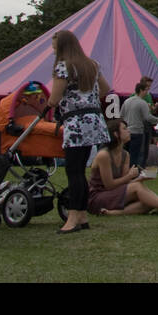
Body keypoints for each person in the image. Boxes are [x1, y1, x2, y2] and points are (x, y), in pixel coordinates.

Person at [48, 29, 110, 235]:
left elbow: (54, 99)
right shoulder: (92, 65)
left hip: (75, 122)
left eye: (54, 45)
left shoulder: (63, 67)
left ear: (62, 46)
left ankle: (73, 217)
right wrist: (88, 97)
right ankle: (82, 215)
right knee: (80, 171)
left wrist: (55, 103)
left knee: (73, 171)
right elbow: (105, 89)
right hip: (93, 120)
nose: (52, 48)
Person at [88, 120, 158, 217]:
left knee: (149, 201)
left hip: (114, 194)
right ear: (115, 134)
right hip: (97, 197)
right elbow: (109, 185)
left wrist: (141, 178)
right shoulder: (104, 155)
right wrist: (130, 176)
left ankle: (115, 213)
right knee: (139, 189)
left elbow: (123, 184)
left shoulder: (125, 155)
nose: (128, 131)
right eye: (124, 129)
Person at [121, 83, 158, 169]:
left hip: (127, 132)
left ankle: (125, 171)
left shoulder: (127, 101)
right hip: (137, 132)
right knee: (135, 155)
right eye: (146, 90)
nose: (147, 93)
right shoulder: (142, 102)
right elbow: (148, 118)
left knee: (127, 154)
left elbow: (121, 115)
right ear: (141, 90)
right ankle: (133, 172)